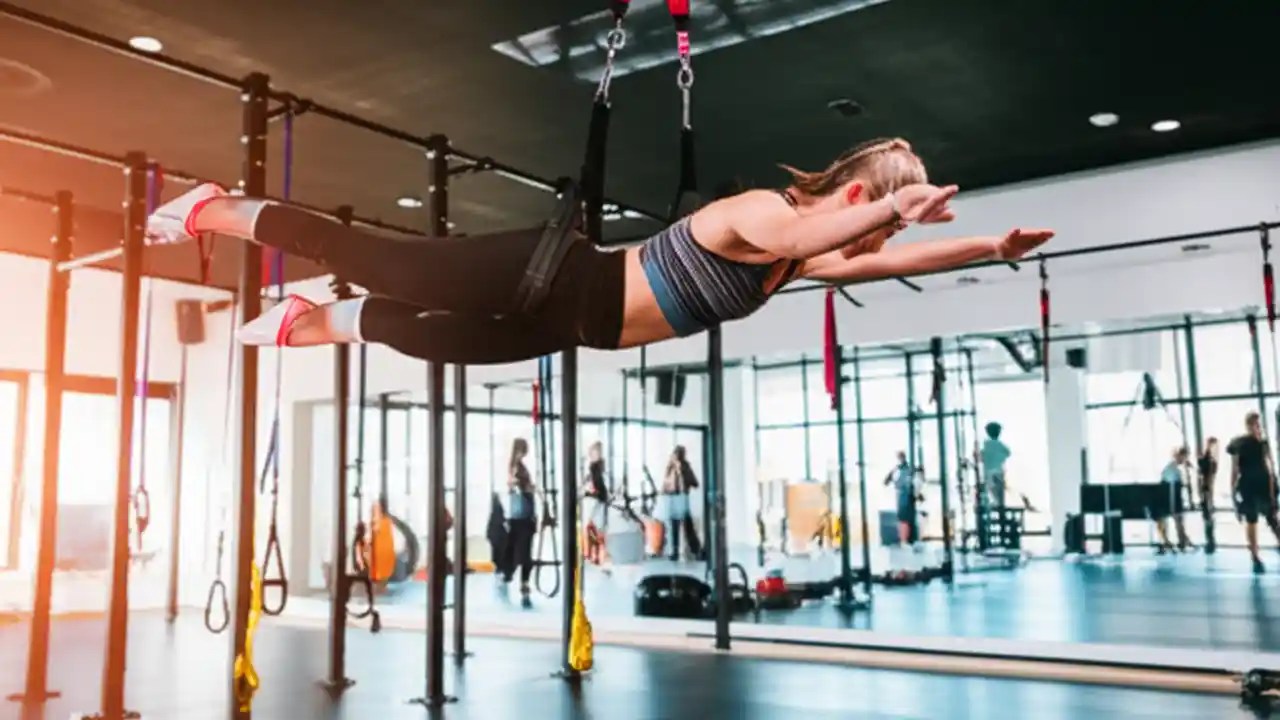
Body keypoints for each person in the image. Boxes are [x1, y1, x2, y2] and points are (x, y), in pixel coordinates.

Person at [145, 138, 1054, 364]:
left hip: (573, 329)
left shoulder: (798, 259)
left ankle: (317, 319)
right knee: (378, 255)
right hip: (551, 274)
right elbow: (836, 234)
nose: (885, 234)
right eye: (883, 214)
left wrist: (993, 247)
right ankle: (214, 208)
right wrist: (893, 209)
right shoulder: (766, 217)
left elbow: (888, 262)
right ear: (856, 195)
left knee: (431, 342)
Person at [1227, 412, 1280, 573]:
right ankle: (1255, 556)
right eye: (1254, 424)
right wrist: (1233, 491)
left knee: (1272, 518)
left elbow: (1270, 468)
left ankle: (1262, 551)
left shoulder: (1263, 444)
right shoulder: (1238, 444)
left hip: (1263, 484)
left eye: (1258, 424)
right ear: (1248, 425)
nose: (1257, 427)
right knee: (1252, 520)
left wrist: (1273, 491)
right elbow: (1234, 469)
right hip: (1249, 486)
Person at [503, 438, 537, 599]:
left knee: (517, 548)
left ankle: (513, 576)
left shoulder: (517, 467)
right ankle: (521, 580)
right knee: (523, 549)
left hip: (521, 514)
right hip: (523, 514)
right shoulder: (516, 468)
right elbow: (514, 484)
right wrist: (527, 487)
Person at [662, 445, 703, 561]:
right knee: (677, 527)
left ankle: (694, 550)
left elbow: (694, 483)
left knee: (686, 526)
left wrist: (682, 472)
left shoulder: (683, 466)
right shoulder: (671, 467)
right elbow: (666, 484)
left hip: (681, 498)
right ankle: (677, 551)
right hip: (675, 498)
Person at [1154, 445, 1194, 553]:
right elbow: (1172, 485)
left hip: (1171, 497)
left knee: (1176, 521)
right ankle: (1177, 540)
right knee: (1176, 520)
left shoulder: (1173, 468)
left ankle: (1180, 540)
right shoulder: (1173, 469)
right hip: (1170, 498)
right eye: (1184, 457)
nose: (1184, 460)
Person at [884, 451, 918, 546]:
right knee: (905, 517)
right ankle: (907, 539)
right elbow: (887, 481)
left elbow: (890, 481)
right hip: (904, 494)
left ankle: (908, 539)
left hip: (907, 495)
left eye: (900, 457)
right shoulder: (900, 468)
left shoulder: (906, 468)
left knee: (906, 517)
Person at [980, 422, 1011, 513]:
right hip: (999, 471)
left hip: (989, 472)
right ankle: (1000, 507)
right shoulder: (999, 444)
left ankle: (996, 504)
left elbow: (982, 456)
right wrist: (1000, 459)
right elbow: (1008, 453)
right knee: (999, 493)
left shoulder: (987, 444)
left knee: (992, 490)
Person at [1197, 437, 1220, 554]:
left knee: (1208, 518)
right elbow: (1207, 479)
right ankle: (1210, 542)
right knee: (1208, 517)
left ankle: (1210, 542)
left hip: (1207, 492)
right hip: (1207, 492)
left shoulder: (1208, 461)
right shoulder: (1209, 462)